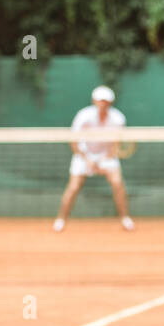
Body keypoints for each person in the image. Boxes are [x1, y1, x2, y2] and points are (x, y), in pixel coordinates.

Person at [52, 86, 134, 232]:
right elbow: (74, 141)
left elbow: (116, 144)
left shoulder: (118, 118)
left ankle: (125, 219)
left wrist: (104, 159)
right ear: (94, 101)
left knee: (117, 183)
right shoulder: (83, 116)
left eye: (106, 101)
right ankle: (61, 220)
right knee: (73, 187)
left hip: (107, 156)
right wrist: (87, 159)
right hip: (83, 155)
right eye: (100, 100)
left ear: (110, 103)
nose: (103, 104)